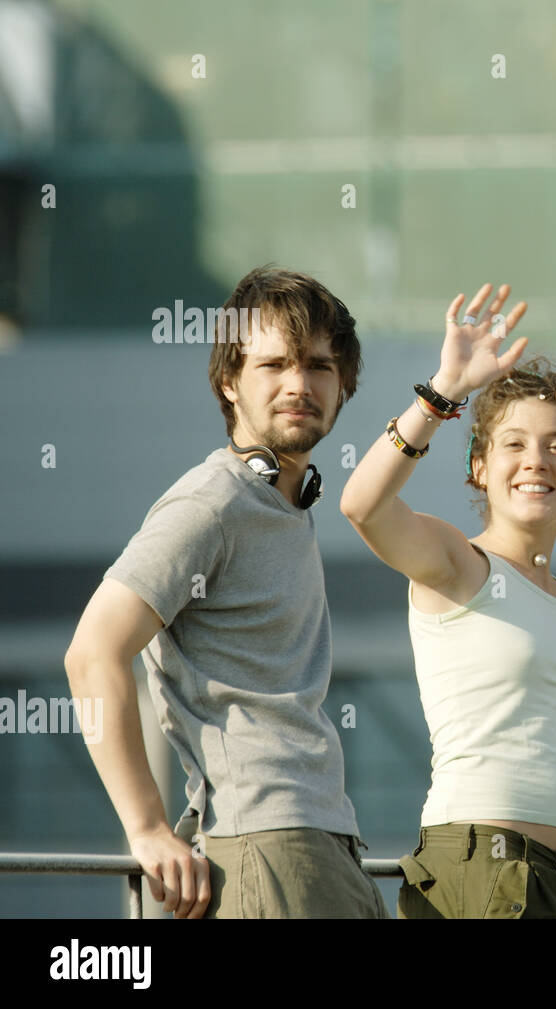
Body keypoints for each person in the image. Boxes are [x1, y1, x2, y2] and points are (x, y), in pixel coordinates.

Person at [64, 267, 386, 918]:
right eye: (275, 364)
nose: (300, 383)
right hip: (269, 848)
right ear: (229, 381)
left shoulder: (283, 504)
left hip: (324, 847)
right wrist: (147, 827)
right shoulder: (214, 501)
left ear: (343, 386)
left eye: (320, 366)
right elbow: (92, 652)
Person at [340, 283, 556, 919]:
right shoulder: (458, 562)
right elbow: (362, 506)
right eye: (513, 444)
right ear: (479, 467)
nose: (536, 460)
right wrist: (444, 391)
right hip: (483, 869)